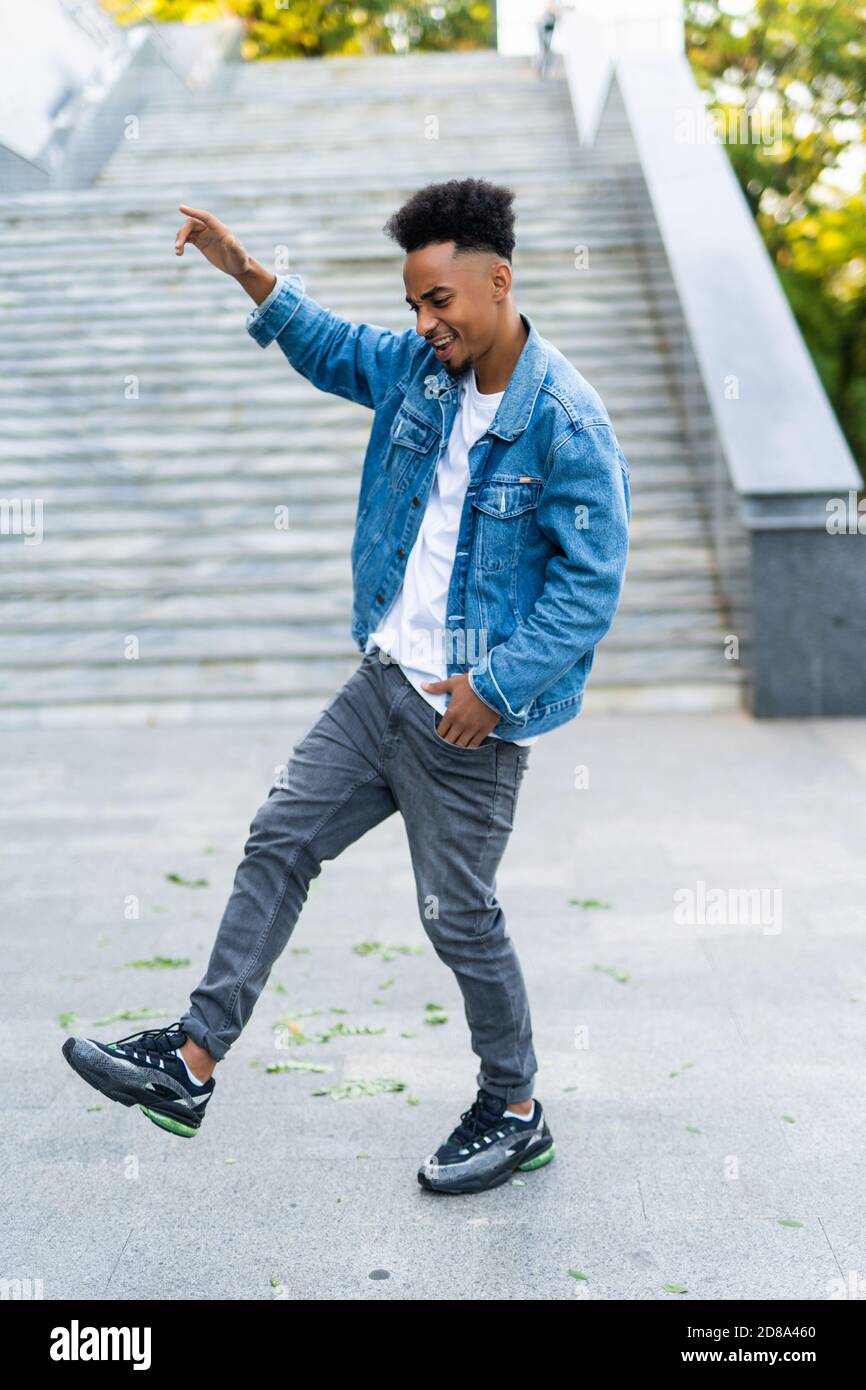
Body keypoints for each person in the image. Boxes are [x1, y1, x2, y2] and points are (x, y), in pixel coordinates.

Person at [62, 177, 631, 1196]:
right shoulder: (419, 371)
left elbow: (588, 588)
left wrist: (494, 686)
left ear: (496, 284)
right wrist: (241, 268)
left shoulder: (565, 420)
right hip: (380, 687)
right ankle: (191, 1062)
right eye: (413, 303)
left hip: (467, 723)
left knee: (457, 917)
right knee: (279, 838)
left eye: (439, 302)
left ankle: (512, 1106)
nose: (422, 323)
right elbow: (326, 342)